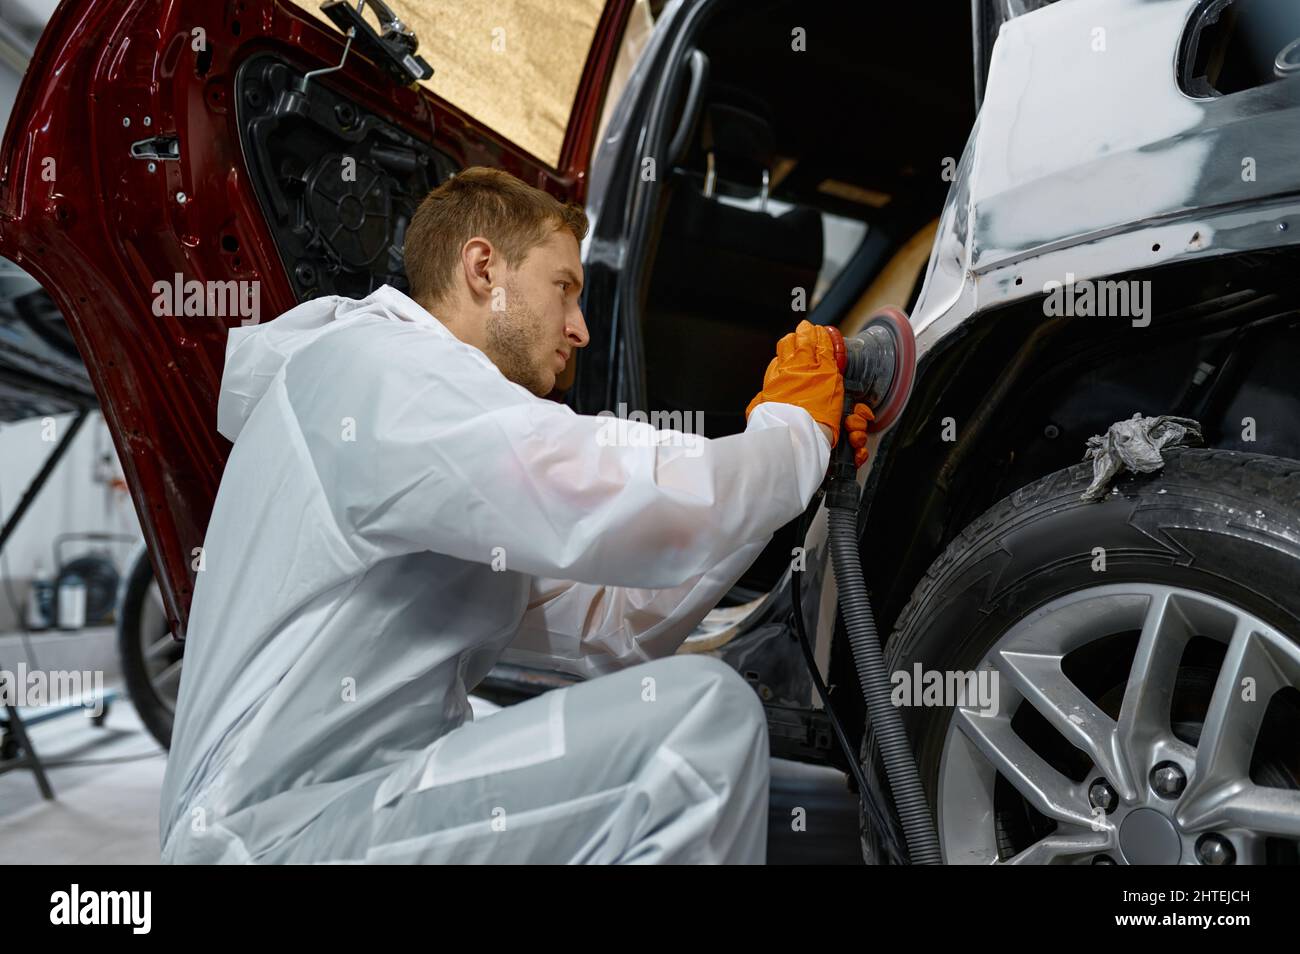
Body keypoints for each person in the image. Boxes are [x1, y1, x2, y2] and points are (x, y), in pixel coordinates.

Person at [159, 167, 867, 864]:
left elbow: (605, 628)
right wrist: (789, 436)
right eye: (565, 287)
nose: (580, 329)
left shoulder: (417, 433)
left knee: (752, 778)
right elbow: (606, 485)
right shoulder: (376, 373)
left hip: (339, 813)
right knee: (701, 723)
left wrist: (786, 476)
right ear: (482, 268)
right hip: (266, 836)